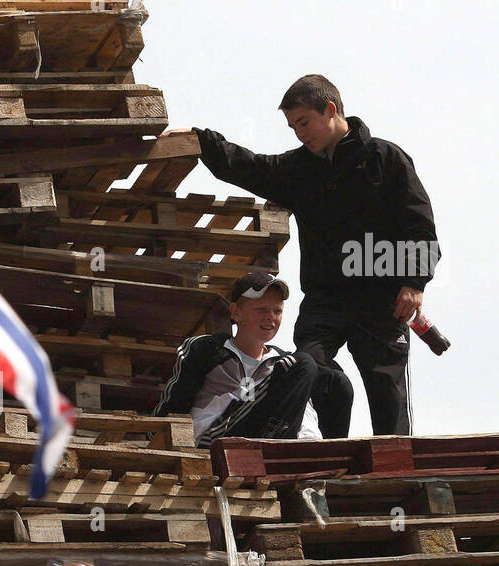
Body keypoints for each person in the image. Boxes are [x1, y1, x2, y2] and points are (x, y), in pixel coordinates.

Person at [173, 74, 440, 436]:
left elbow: (419, 224)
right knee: (311, 368)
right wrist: (201, 141)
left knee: (386, 392)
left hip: (383, 299)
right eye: (292, 126)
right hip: (325, 298)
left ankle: (397, 467)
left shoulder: (385, 158)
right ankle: (329, 455)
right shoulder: (298, 169)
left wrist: (414, 282)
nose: (299, 133)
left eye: (303, 122)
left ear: (329, 110)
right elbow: (249, 166)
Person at [155, 271, 353, 448]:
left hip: (274, 434)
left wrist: (314, 446)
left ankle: (326, 458)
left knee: (335, 382)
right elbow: (173, 404)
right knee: (303, 364)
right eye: (261, 309)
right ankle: (268, 449)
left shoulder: (281, 361)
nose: (271, 318)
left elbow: (305, 416)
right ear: (236, 312)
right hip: (217, 441)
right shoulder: (208, 349)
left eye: (277, 311)